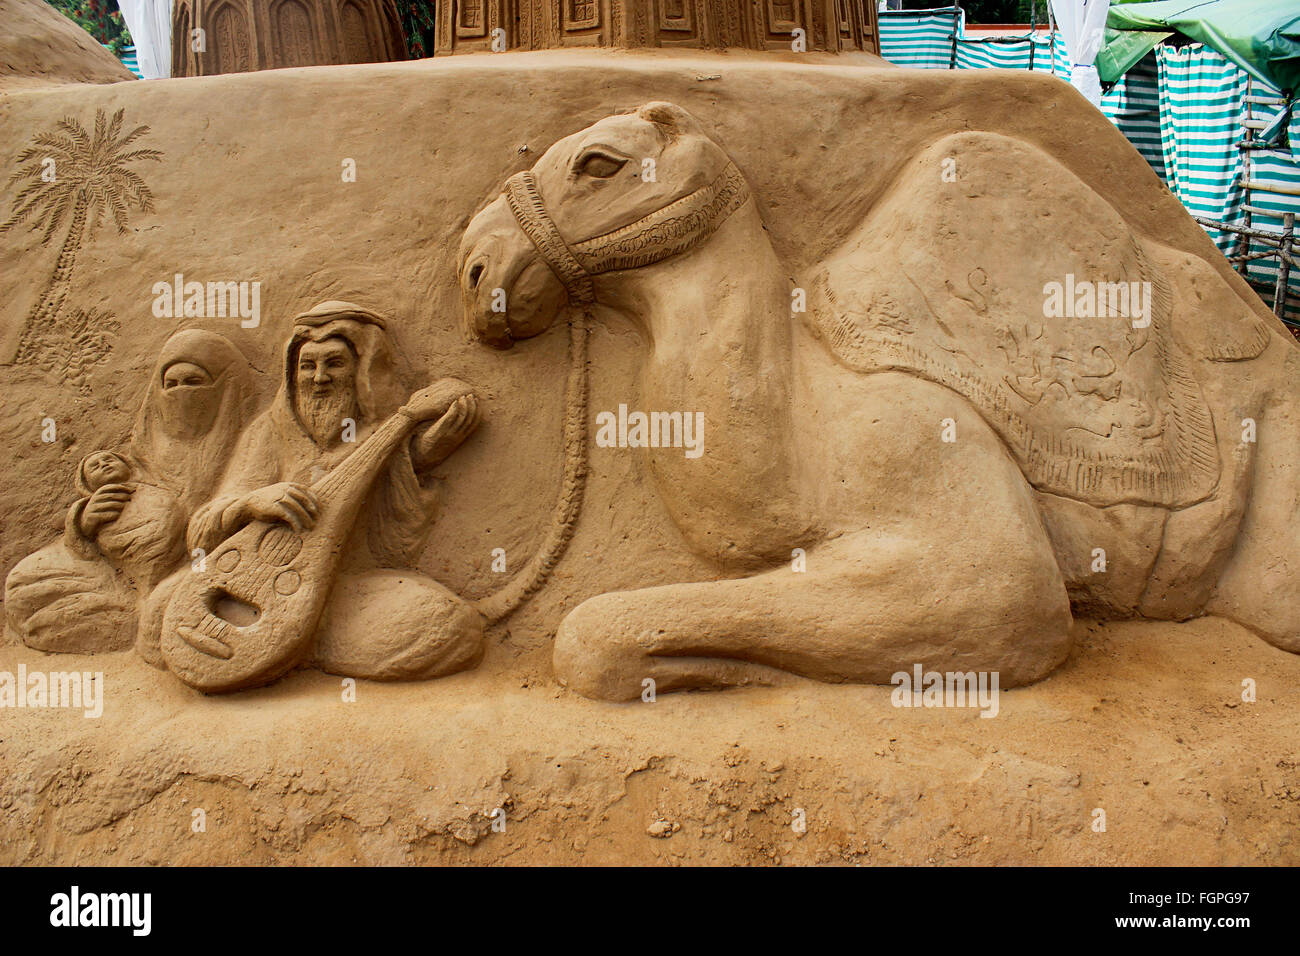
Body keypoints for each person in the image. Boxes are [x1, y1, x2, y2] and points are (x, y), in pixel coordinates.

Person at [144, 301, 484, 682]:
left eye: (334, 364)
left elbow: (395, 531)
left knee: (447, 624)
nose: (319, 378)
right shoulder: (268, 433)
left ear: (363, 372)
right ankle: (290, 644)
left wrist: (421, 454)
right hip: (243, 578)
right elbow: (202, 532)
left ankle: (292, 642)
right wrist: (251, 503)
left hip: (342, 591)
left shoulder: (387, 434)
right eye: (308, 366)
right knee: (159, 608)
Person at [5, 329, 257, 653]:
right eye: (171, 384)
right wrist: (84, 522)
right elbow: (94, 517)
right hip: (123, 570)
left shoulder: (250, 442)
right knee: (25, 587)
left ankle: (163, 611)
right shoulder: (142, 451)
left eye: (194, 382)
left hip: (203, 562)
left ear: (226, 387)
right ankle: (140, 614)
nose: (180, 393)